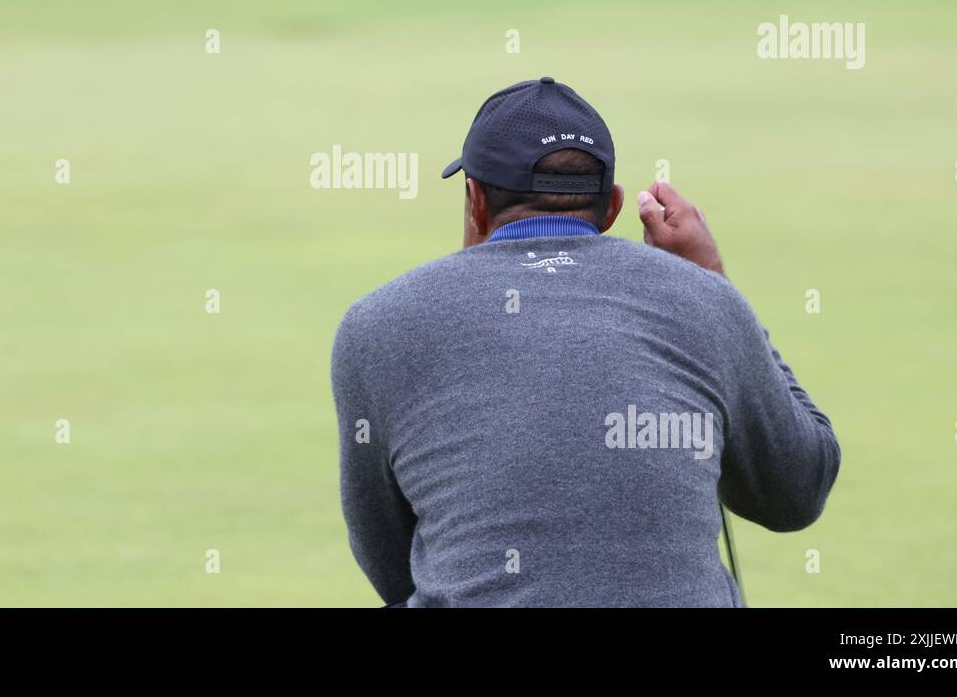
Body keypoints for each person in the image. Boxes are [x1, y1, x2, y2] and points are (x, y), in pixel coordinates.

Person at [330, 76, 841, 606]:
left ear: (476, 199)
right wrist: (714, 281)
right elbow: (795, 494)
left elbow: (393, 563)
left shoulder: (376, 322)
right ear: (614, 206)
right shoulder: (702, 298)